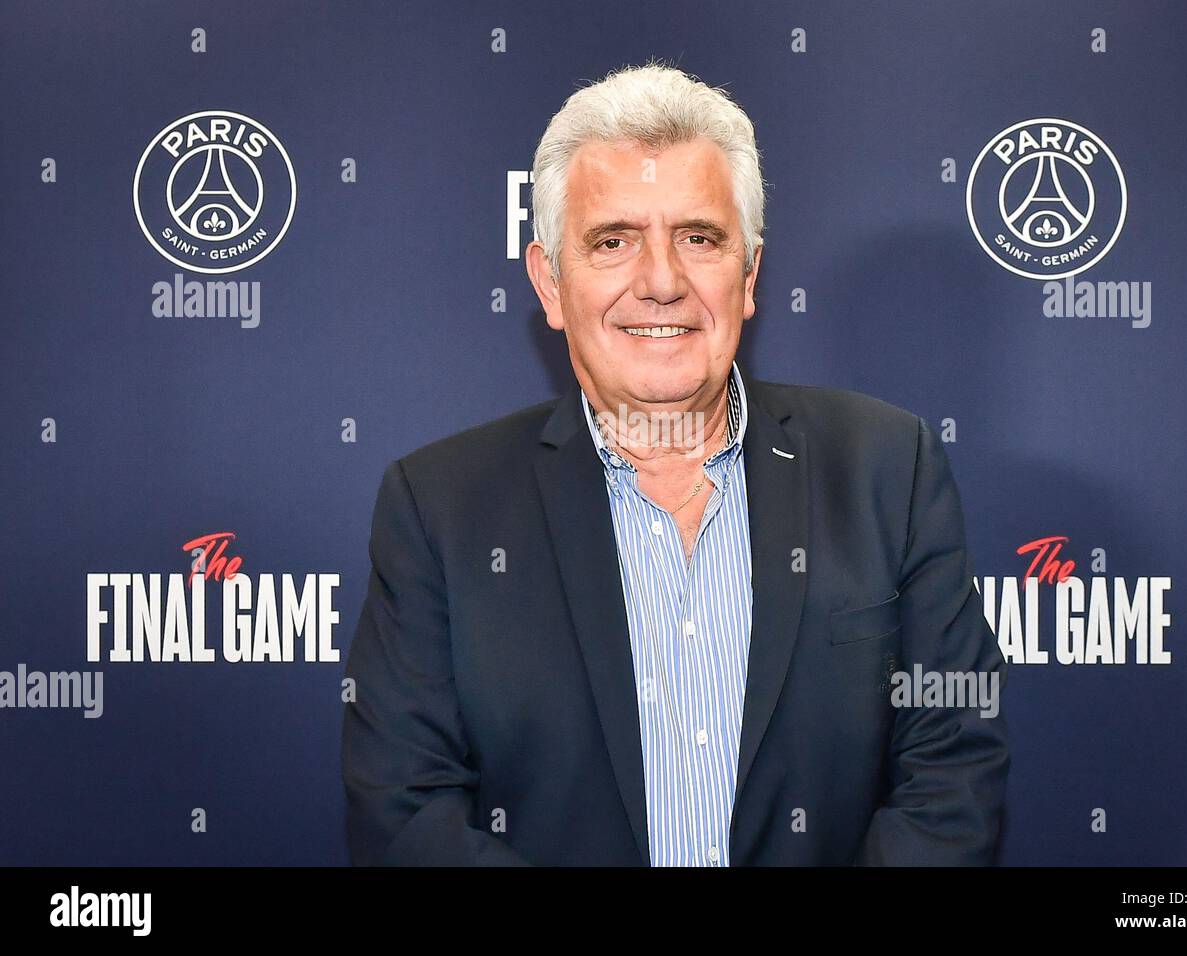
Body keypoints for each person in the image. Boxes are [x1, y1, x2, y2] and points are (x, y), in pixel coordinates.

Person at [341, 59, 1010, 866]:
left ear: (750, 274)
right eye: (613, 241)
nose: (661, 282)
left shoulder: (886, 471)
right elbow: (407, 815)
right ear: (549, 283)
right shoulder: (439, 508)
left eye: (699, 238)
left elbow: (951, 774)